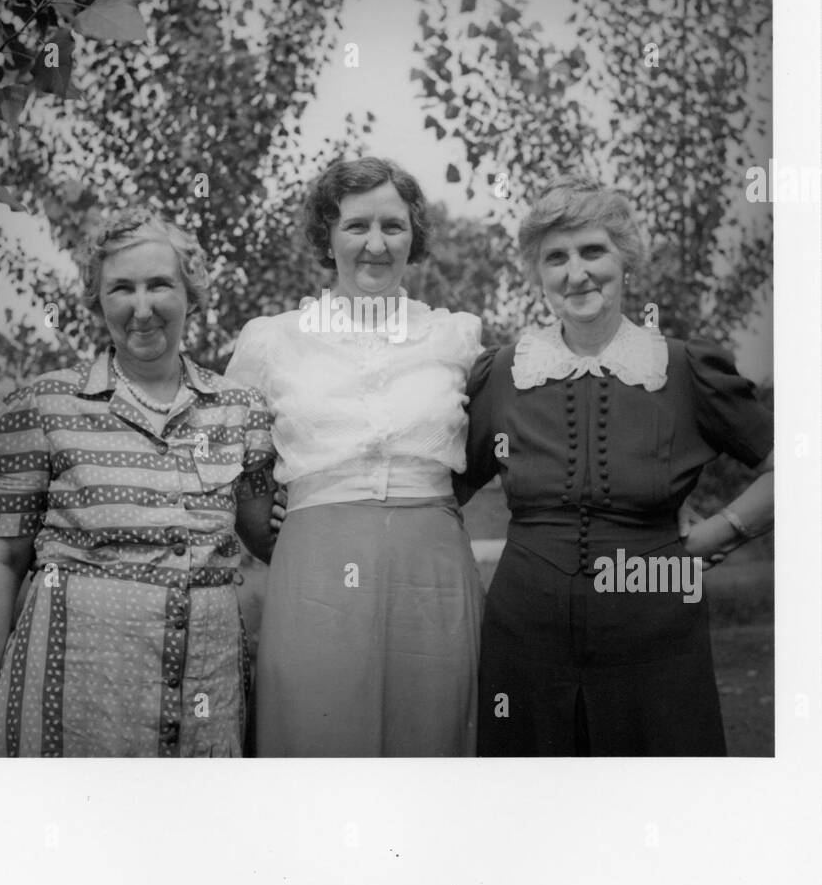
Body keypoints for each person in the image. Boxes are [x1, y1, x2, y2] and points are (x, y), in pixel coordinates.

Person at [0, 209, 277, 758]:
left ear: (190, 293)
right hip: (75, 694)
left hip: (206, 692)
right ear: (98, 302)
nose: (142, 307)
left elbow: (268, 536)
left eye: (160, 285)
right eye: (121, 288)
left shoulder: (240, 410)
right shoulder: (42, 407)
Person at [457, 177, 774, 757]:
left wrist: (720, 531)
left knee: (658, 810)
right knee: (534, 817)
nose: (575, 273)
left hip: (658, 629)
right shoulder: (504, 374)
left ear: (625, 258)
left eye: (592, 251)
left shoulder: (682, 368)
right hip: (524, 634)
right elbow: (443, 487)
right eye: (556, 258)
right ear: (539, 274)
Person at [225, 157, 484, 756]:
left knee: (431, 738)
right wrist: (267, 531)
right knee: (318, 735)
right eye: (356, 226)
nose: (375, 243)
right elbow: (235, 458)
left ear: (414, 235)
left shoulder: (457, 336)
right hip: (314, 565)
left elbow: (486, 447)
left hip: (433, 565)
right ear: (327, 234)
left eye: (393, 226)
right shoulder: (272, 339)